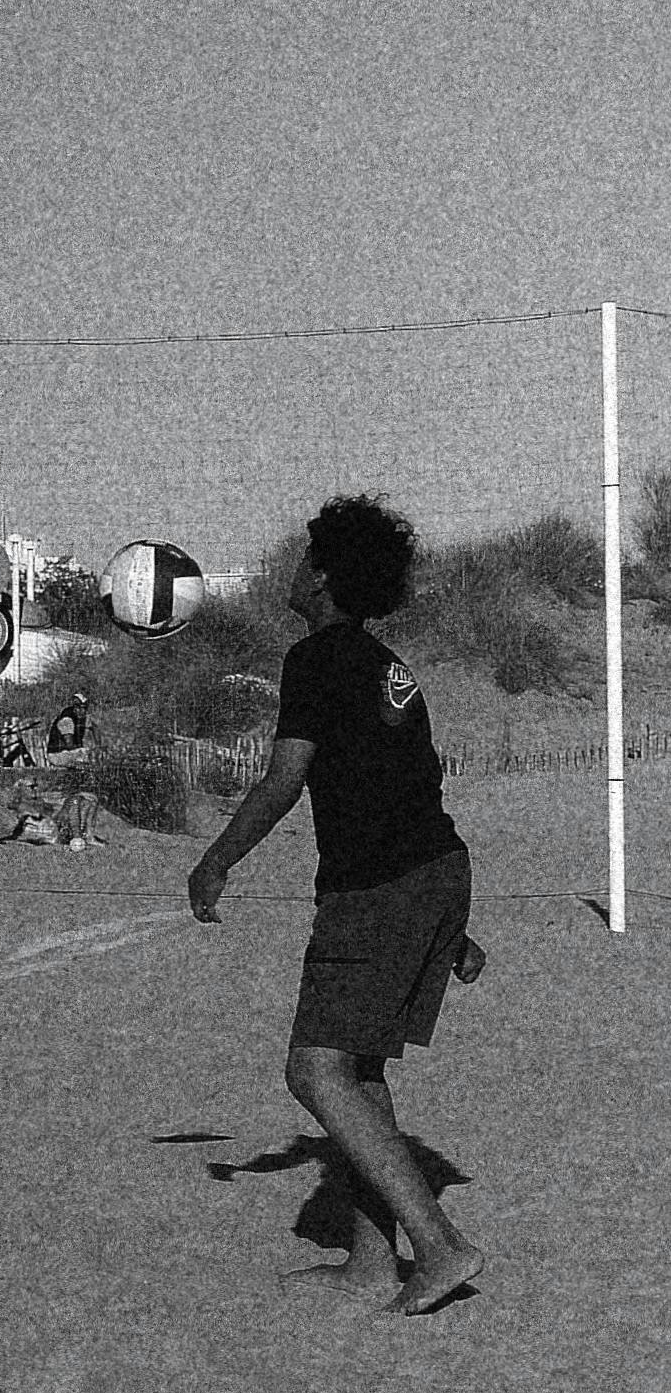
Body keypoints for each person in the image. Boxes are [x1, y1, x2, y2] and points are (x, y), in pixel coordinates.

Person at [187, 494, 479, 1315]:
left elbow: (285, 779)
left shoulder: (314, 660)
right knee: (360, 1069)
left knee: (313, 1069)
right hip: (432, 871)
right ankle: (368, 1262)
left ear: (320, 575)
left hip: (378, 888)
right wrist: (448, 926)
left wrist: (215, 863)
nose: (290, 565)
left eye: (301, 555)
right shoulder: (390, 667)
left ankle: (441, 1245)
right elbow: (413, 785)